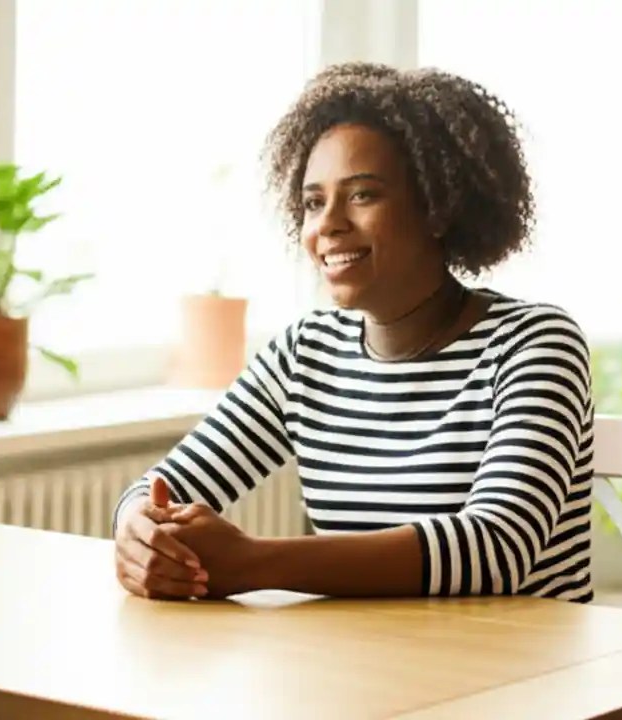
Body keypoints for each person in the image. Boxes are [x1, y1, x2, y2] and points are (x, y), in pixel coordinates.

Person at [113, 62, 594, 603]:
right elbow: (162, 486)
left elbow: (497, 547)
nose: (328, 225)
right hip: (367, 672)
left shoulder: (534, 344)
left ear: (437, 206)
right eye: (314, 202)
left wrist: (254, 562)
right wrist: (139, 530)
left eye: (362, 195)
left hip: (528, 677)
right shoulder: (304, 356)